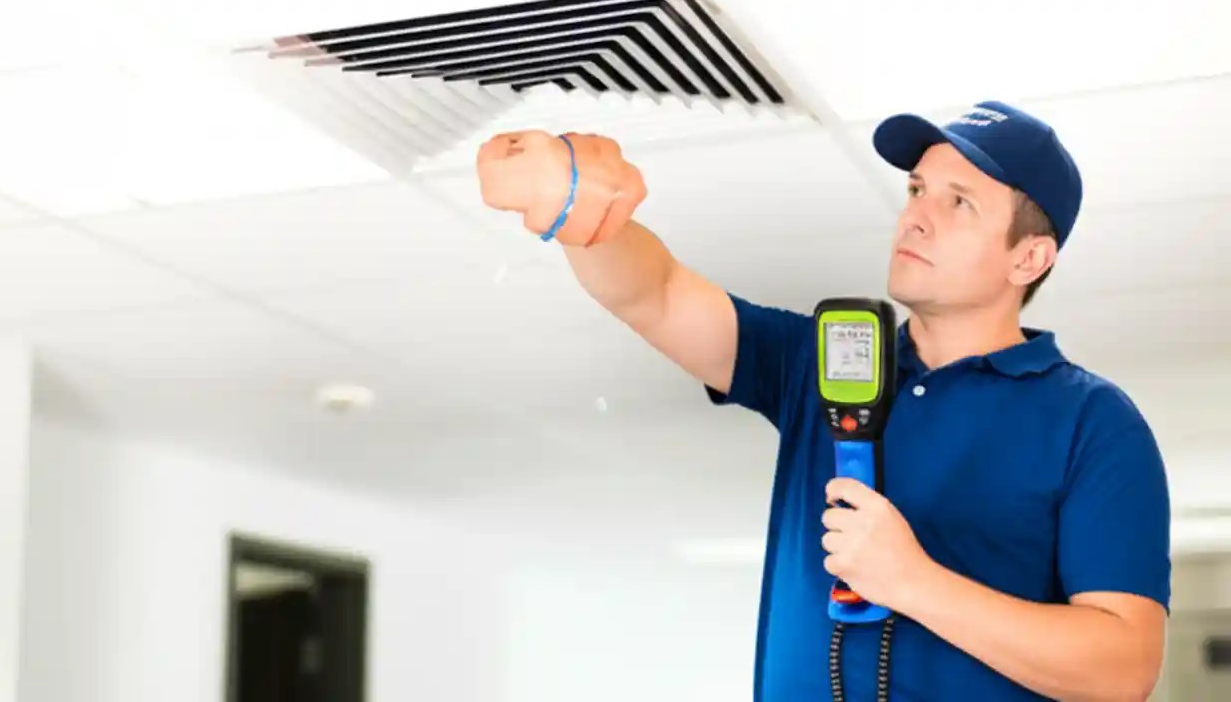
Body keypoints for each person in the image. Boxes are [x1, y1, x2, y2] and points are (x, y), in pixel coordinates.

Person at [475, 101, 1171, 701]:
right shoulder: (828, 361)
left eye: (957, 202)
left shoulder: (1093, 421)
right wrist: (578, 211)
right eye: (916, 190)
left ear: (1029, 259)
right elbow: (654, 294)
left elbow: (1122, 668)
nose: (916, 219)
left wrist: (912, 581)